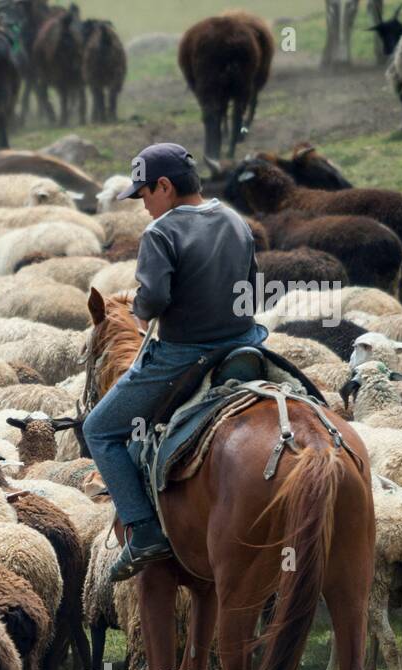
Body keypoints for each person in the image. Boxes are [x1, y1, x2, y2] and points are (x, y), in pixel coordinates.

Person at [84, 143, 266, 582]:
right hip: (245, 343)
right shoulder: (235, 220)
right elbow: (254, 286)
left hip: (185, 355)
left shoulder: (161, 233)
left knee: (99, 430)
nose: (144, 204)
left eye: (144, 193)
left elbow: (155, 300)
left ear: (164, 187)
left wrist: (141, 309)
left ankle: (144, 530)